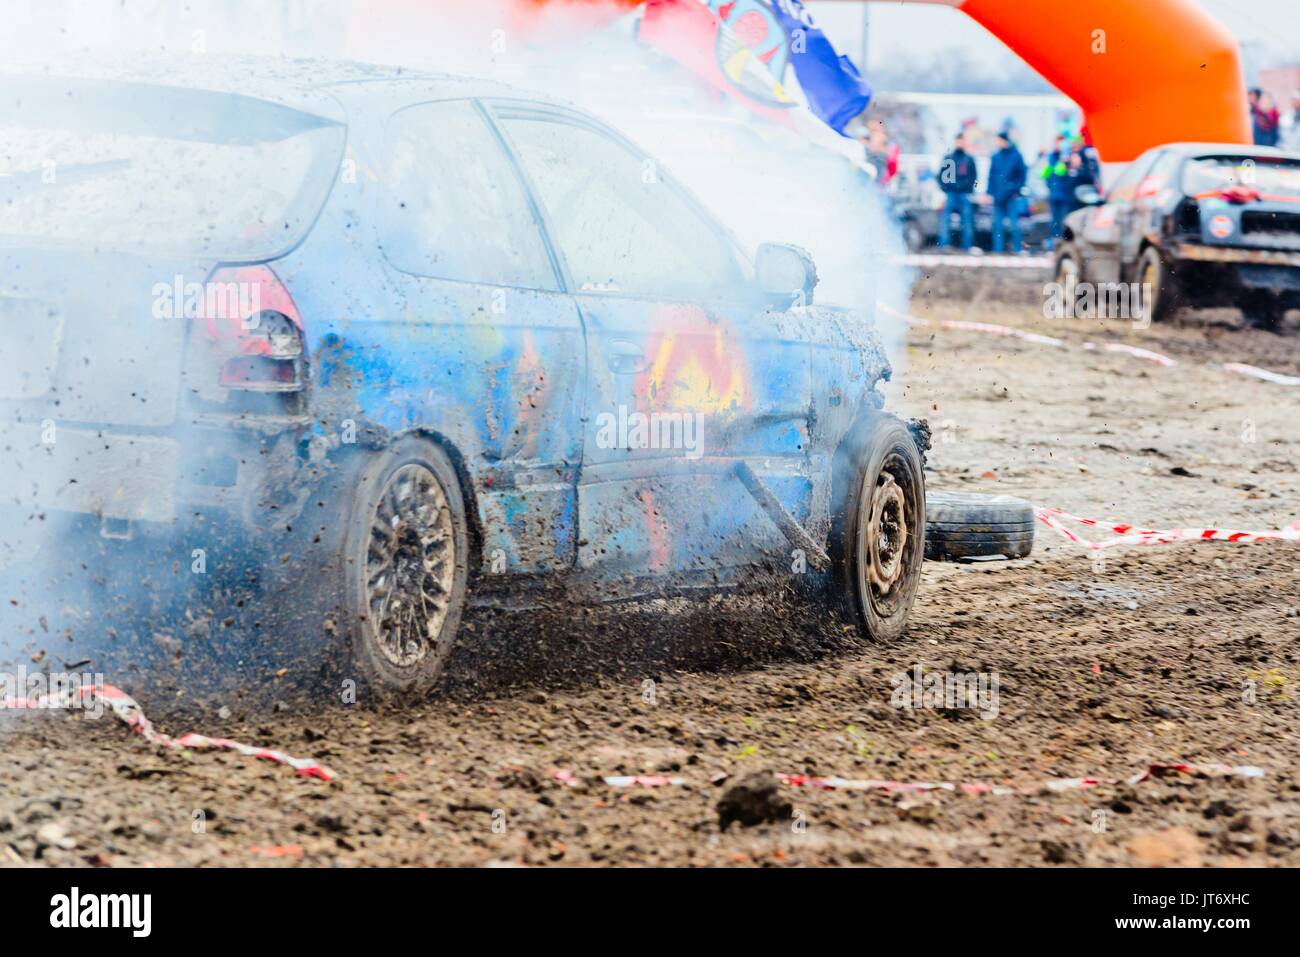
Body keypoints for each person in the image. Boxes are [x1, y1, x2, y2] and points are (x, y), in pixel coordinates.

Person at [986, 130, 1027, 253]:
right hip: (998, 196)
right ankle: (998, 250)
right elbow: (991, 176)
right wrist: (989, 192)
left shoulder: (1016, 156)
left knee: (1015, 225)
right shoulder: (995, 156)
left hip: (1011, 197)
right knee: (998, 226)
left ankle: (1017, 249)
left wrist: (1014, 189)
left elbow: (1022, 176)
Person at [937, 131, 977, 251]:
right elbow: (941, 176)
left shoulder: (969, 159)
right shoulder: (949, 158)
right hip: (951, 193)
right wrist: (946, 189)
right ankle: (944, 244)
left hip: (964, 194)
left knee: (967, 219)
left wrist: (969, 189)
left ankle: (967, 246)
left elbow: (974, 178)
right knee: (946, 219)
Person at [1041, 135, 1073, 251]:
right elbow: (1045, 175)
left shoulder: (1067, 158)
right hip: (1054, 194)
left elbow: (1068, 177)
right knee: (1054, 221)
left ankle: (1063, 244)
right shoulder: (1050, 158)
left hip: (1064, 195)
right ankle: (1054, 244)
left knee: (1063, 221)